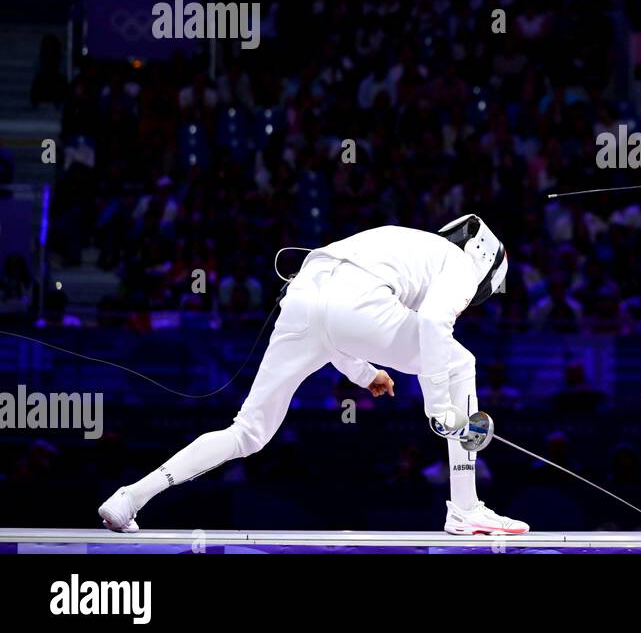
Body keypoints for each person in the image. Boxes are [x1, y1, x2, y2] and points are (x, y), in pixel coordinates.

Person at [98, 216, 527, 535]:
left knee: (247, 432)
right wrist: (439, 408)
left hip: (303, 298)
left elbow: (334, 316)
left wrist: (364, 375)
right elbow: (433, 322)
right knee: (461, 363)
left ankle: (130, 497)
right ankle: (466, 508)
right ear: (486, 264)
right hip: (350, 304)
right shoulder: (462, 264)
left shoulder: (403, 241)